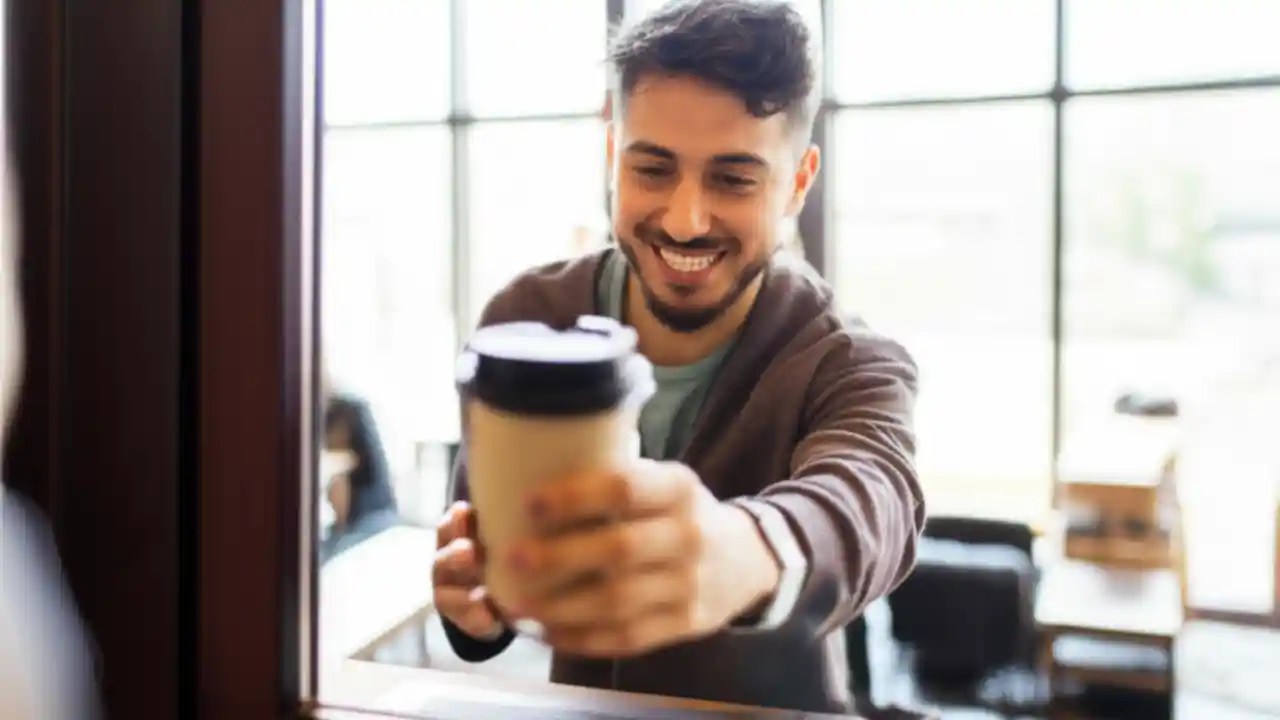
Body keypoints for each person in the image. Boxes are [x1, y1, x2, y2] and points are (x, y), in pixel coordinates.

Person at [433, 0, 924, 713]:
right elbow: (483, 587)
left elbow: (873, 499)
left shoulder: (848, 361)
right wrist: (472, 604)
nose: (685, 219)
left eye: (734, 179)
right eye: (653, 169)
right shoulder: (526, 321)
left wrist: (751, 547)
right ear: (611, 155)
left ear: (797, 182)